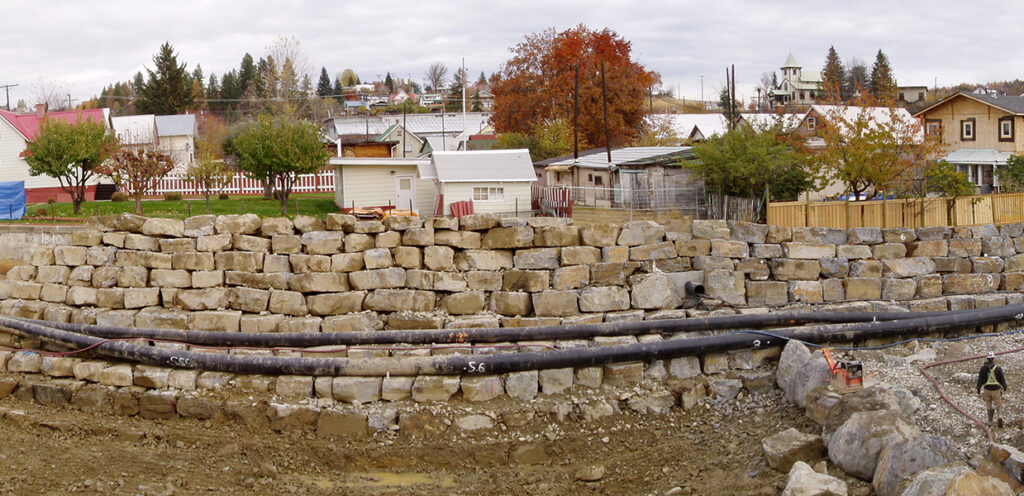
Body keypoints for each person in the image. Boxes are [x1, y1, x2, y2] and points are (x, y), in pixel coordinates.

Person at [977, 351, 1008, 426]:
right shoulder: (998, 368)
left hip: (987, 389)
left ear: (987, 358)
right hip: (996, 389)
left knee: (988, 404)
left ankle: (990, 421)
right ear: (993, 358)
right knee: (998, 403)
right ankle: (999, 416)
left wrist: (978, 388)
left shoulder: (983, 368)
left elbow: (980, 379)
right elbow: (1002, 379)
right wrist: (1004, 387)